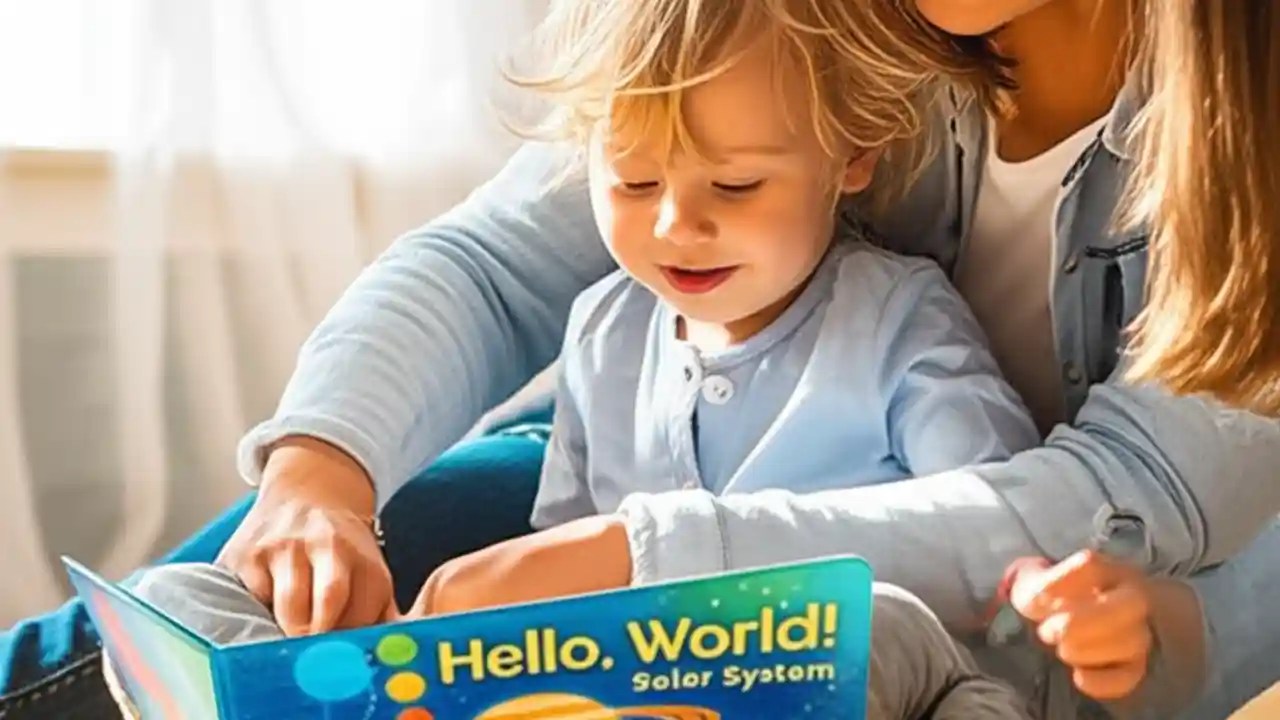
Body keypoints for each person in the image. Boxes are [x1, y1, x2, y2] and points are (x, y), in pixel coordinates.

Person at [2, 0, 1278, 717]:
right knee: (259, 588)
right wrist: (317, 474)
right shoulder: (810, 21)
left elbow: (1118, 509)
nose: (683, 211)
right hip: (633, 468)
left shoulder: (1240, 127)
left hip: (1025, 600)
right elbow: (490, 262)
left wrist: (646, 556)